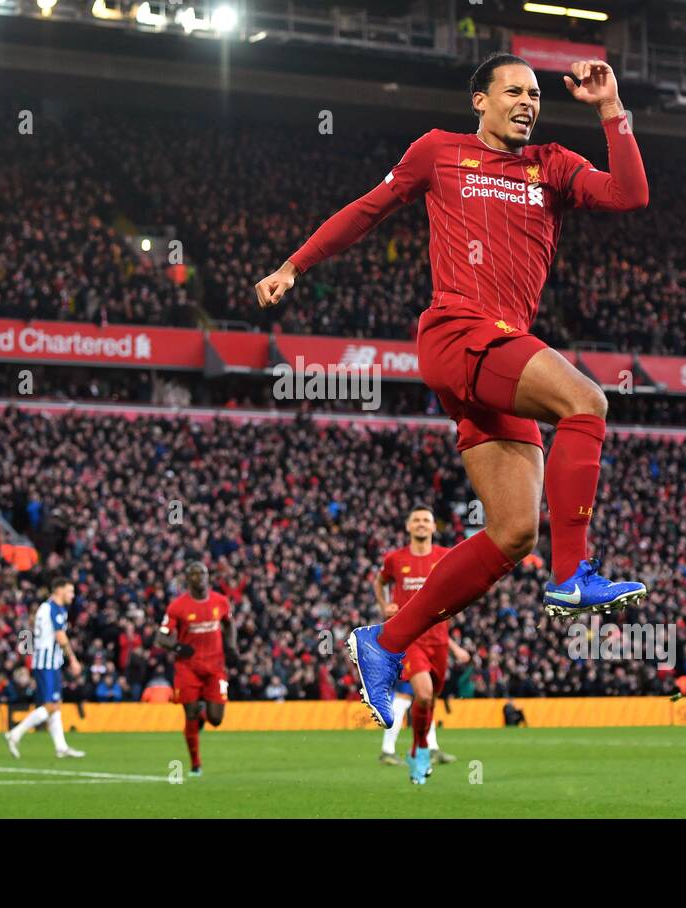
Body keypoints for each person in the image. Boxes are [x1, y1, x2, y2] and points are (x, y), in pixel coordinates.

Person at [255, 53, 650, 728]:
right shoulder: (439, 153)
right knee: (588, 401)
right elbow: (367, 209)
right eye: (513, 91)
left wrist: (611, 110)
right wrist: (295, 264)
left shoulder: (551, 165)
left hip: (496, 356)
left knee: (513, 532)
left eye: (534, 93)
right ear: (480, 101)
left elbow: (629, 195)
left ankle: (383, 643)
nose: (527, 102)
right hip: (458, 332)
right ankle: (573, 575)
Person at [374, 505, 471, 784]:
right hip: (409, 638)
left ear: (432, 527)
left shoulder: (444, 557)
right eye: (415, 519)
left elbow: (459, 587)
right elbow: (379, 582)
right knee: (423, 694)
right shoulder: (395, 559)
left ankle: (422, 746)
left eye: (426, 520)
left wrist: (453, 645)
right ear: (408, 526)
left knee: (429, 700)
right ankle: (419, 750)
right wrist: (384, 606)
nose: (420, 524)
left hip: (438, 639)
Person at [154, 561, 236, 777]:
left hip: (215, 668)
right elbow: (160, 637)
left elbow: (229, 624)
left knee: (216, 719)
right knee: (189, 713)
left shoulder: (220, 602)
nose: (200, 577)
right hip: (187, 668)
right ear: (187, 579)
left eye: (203, 573)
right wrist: (180, 647)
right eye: (195, 574)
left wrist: (232, 646)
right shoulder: (177, 606)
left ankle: (202, 717)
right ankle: (195, 764)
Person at [5, 577, 85, 759]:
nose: (72, 596)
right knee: (50, 706)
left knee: (55, 705)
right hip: (47, 663)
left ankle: (61, 747)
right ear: (59, 590)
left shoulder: (44, 607)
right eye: (70, 591)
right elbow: (60, 636)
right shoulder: (55, 609)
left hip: (46, 661)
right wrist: (73, 659)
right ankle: (15, 734)